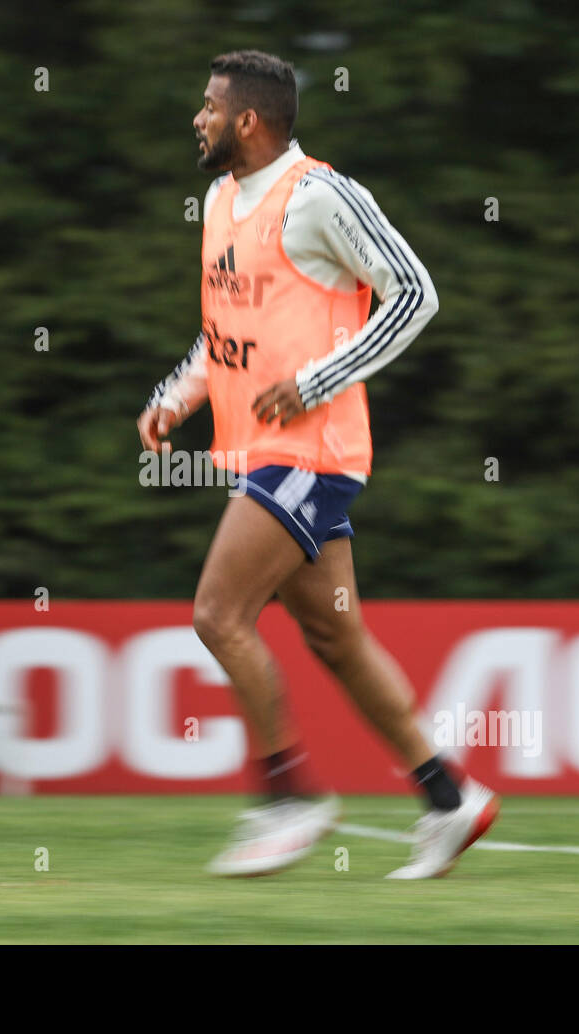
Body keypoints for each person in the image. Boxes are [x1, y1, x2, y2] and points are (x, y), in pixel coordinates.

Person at [137, 50, 498, 878]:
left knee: (217, 613)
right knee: (335, 635)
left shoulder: (322, 197)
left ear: (249, 122)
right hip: (262, 451)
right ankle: (449, 798)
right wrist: (177, 394)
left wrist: (316, 381)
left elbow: (415, 293)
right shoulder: (222, 200)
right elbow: (226, 332)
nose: (198, 119)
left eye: (209, 106)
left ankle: (287, 797)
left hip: (313, 451)